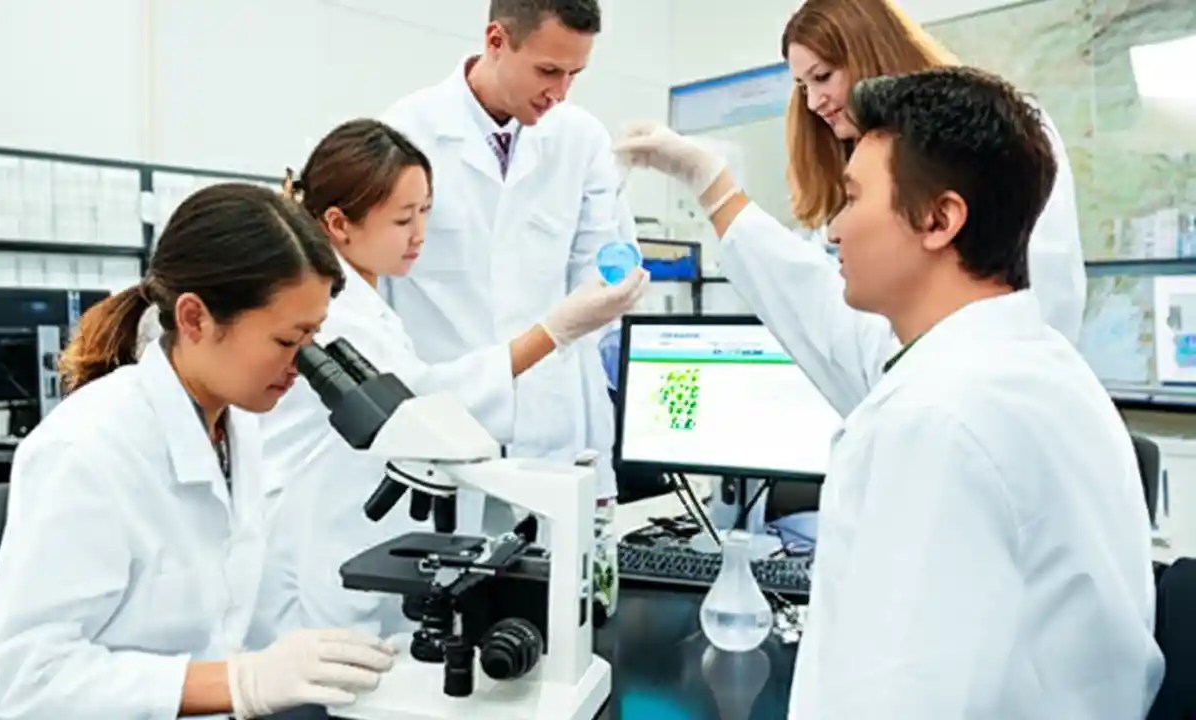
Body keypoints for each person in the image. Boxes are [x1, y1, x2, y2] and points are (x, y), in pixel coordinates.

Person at [623, 67, 1163, 718]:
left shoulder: (939, 421)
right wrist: (712, 189)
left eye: (852, 199)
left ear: (939, 219)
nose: (832, 231)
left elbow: (898, 700)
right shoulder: (1032, 371)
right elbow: (824, 317)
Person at [0, 185, 398, 720]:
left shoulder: (236, 428)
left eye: (312, 340)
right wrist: (241, 681)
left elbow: (219, 619)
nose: (300, 366)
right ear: (194, 318)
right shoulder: (86, 450)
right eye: (287, 342)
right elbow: (34, 683)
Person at [255, 119, 647, 638]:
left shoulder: (365, 301)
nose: (420, 235)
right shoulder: (329, 311)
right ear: (338, 223)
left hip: (352, 536)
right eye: (402, 220)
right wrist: (555, 329)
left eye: (425, 213)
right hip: (313, 552)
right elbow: (417, 407)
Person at [632, 0, 1086, 419]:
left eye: (824, 76)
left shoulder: (994, 144)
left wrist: (715, 188)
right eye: (801, 85)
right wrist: (713, 189)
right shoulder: (859, 158)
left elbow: (1040, 307)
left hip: (981, 407)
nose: (813, 102)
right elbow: (832, 315)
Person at [379, 0, 632, 523]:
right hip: (442, 433)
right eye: (548, 71)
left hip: (550, 440)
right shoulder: (405, 133)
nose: (560, 93)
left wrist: (599, 465)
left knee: (547, 598)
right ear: (496, 40)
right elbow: (376, 297)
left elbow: (597, 297)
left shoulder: (581, 140)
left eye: (574, 75)